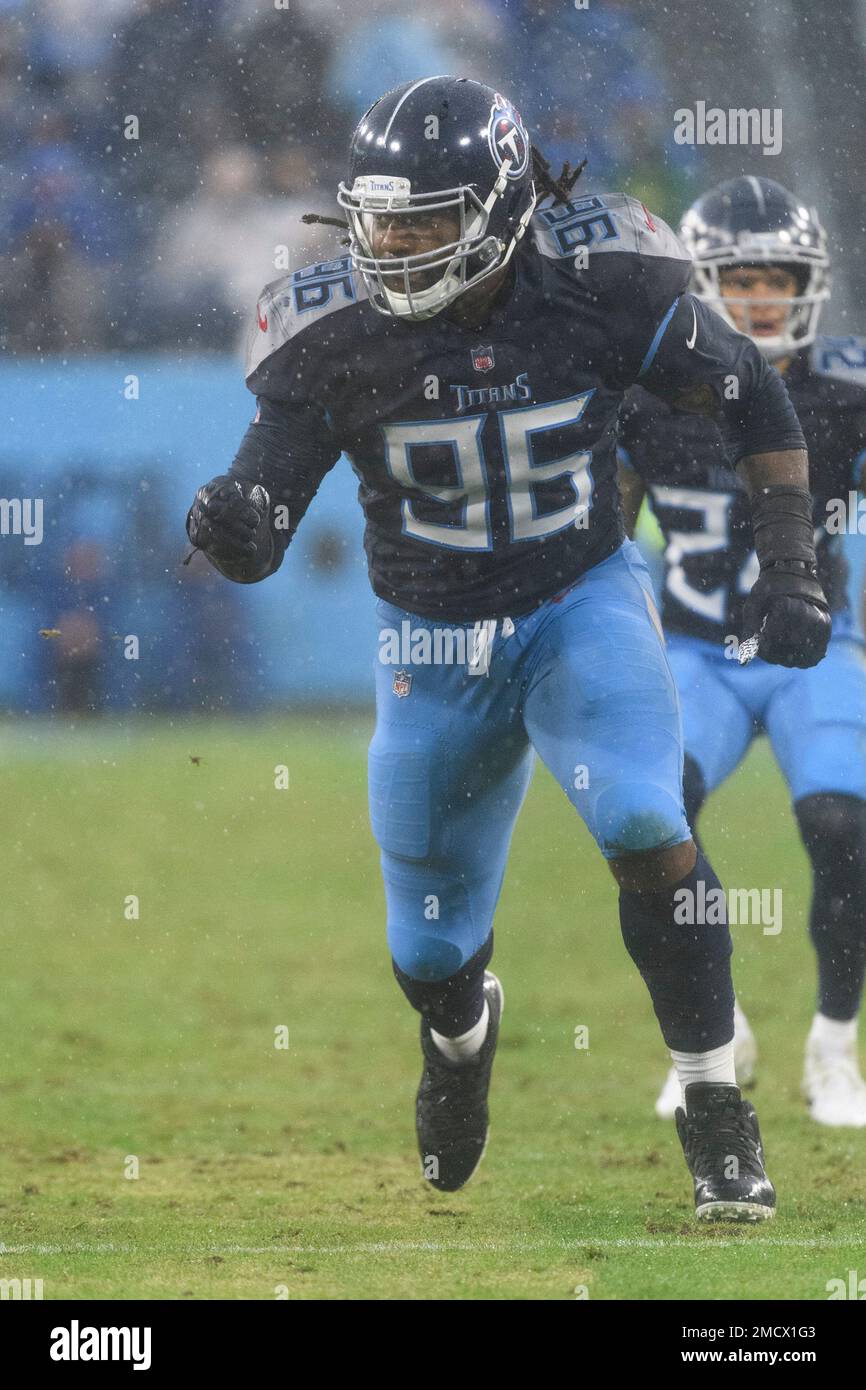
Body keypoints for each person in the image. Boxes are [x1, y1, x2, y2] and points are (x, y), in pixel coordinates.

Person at [186, 80, 830, 1221]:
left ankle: (712, 1104)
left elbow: (754, 409)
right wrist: (234, 524)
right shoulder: (334, 326)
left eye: (424, 221)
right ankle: (459, 1033)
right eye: (381, 219)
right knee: (426, 949)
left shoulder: (604, 280)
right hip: (430, 647)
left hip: (576, 601)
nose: (393, 245)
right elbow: (263, 518)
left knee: (644, 822)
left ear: (494, 210)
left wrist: (788, 566)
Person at [617, 177, 866, 1126]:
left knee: (843, 826)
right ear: (703, 287)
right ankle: (710, 1041)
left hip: (813, 647)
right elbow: (604, 534)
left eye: (780, 279)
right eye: (743, 279)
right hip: (695, 649)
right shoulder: (647, 393)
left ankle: (833, 1049)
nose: (763, 300)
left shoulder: (842, 391)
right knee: (651, 824)